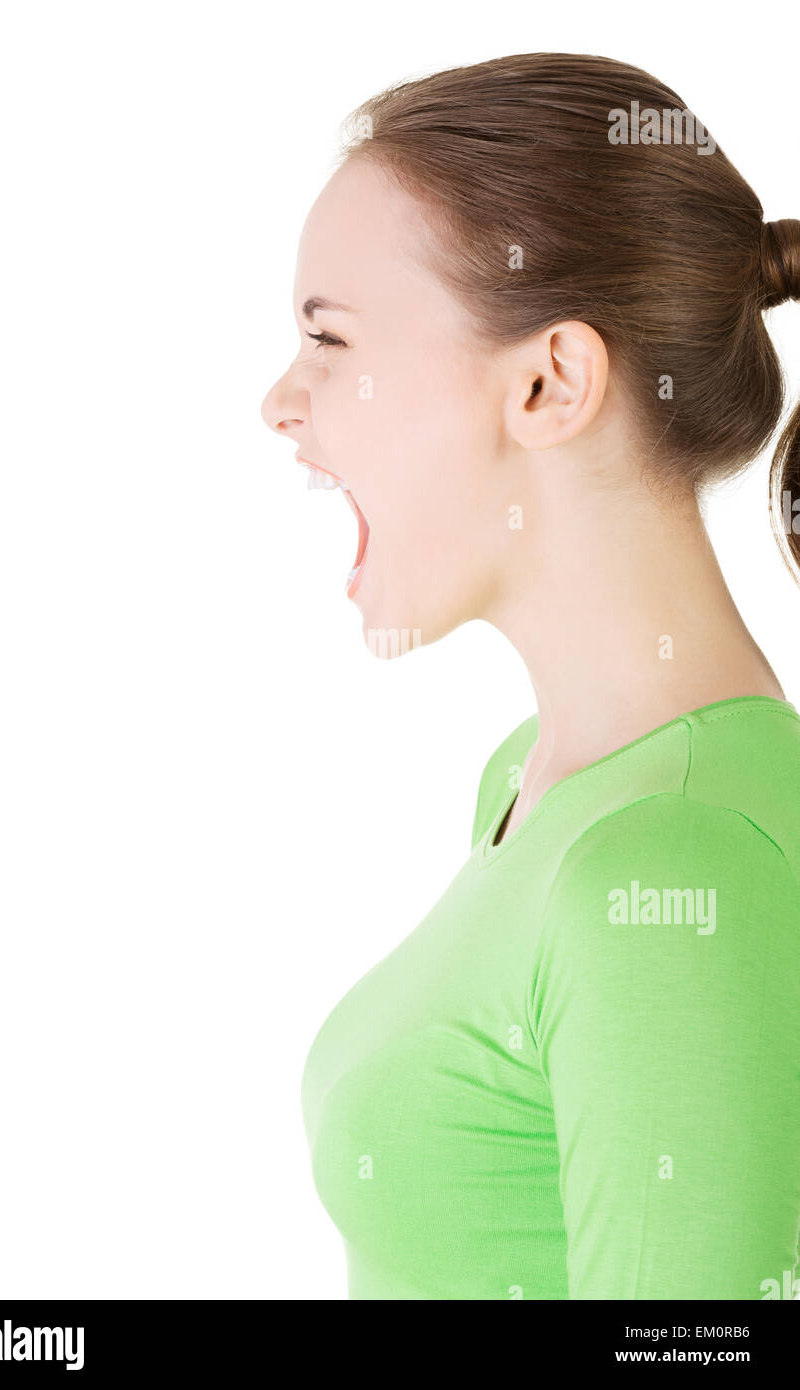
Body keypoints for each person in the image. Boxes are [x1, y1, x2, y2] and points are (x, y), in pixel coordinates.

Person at [260, 52, 800, 1300]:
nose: (281, 401)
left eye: (328, 339)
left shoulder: (674, 857)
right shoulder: (535, 781)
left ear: (550, 381)